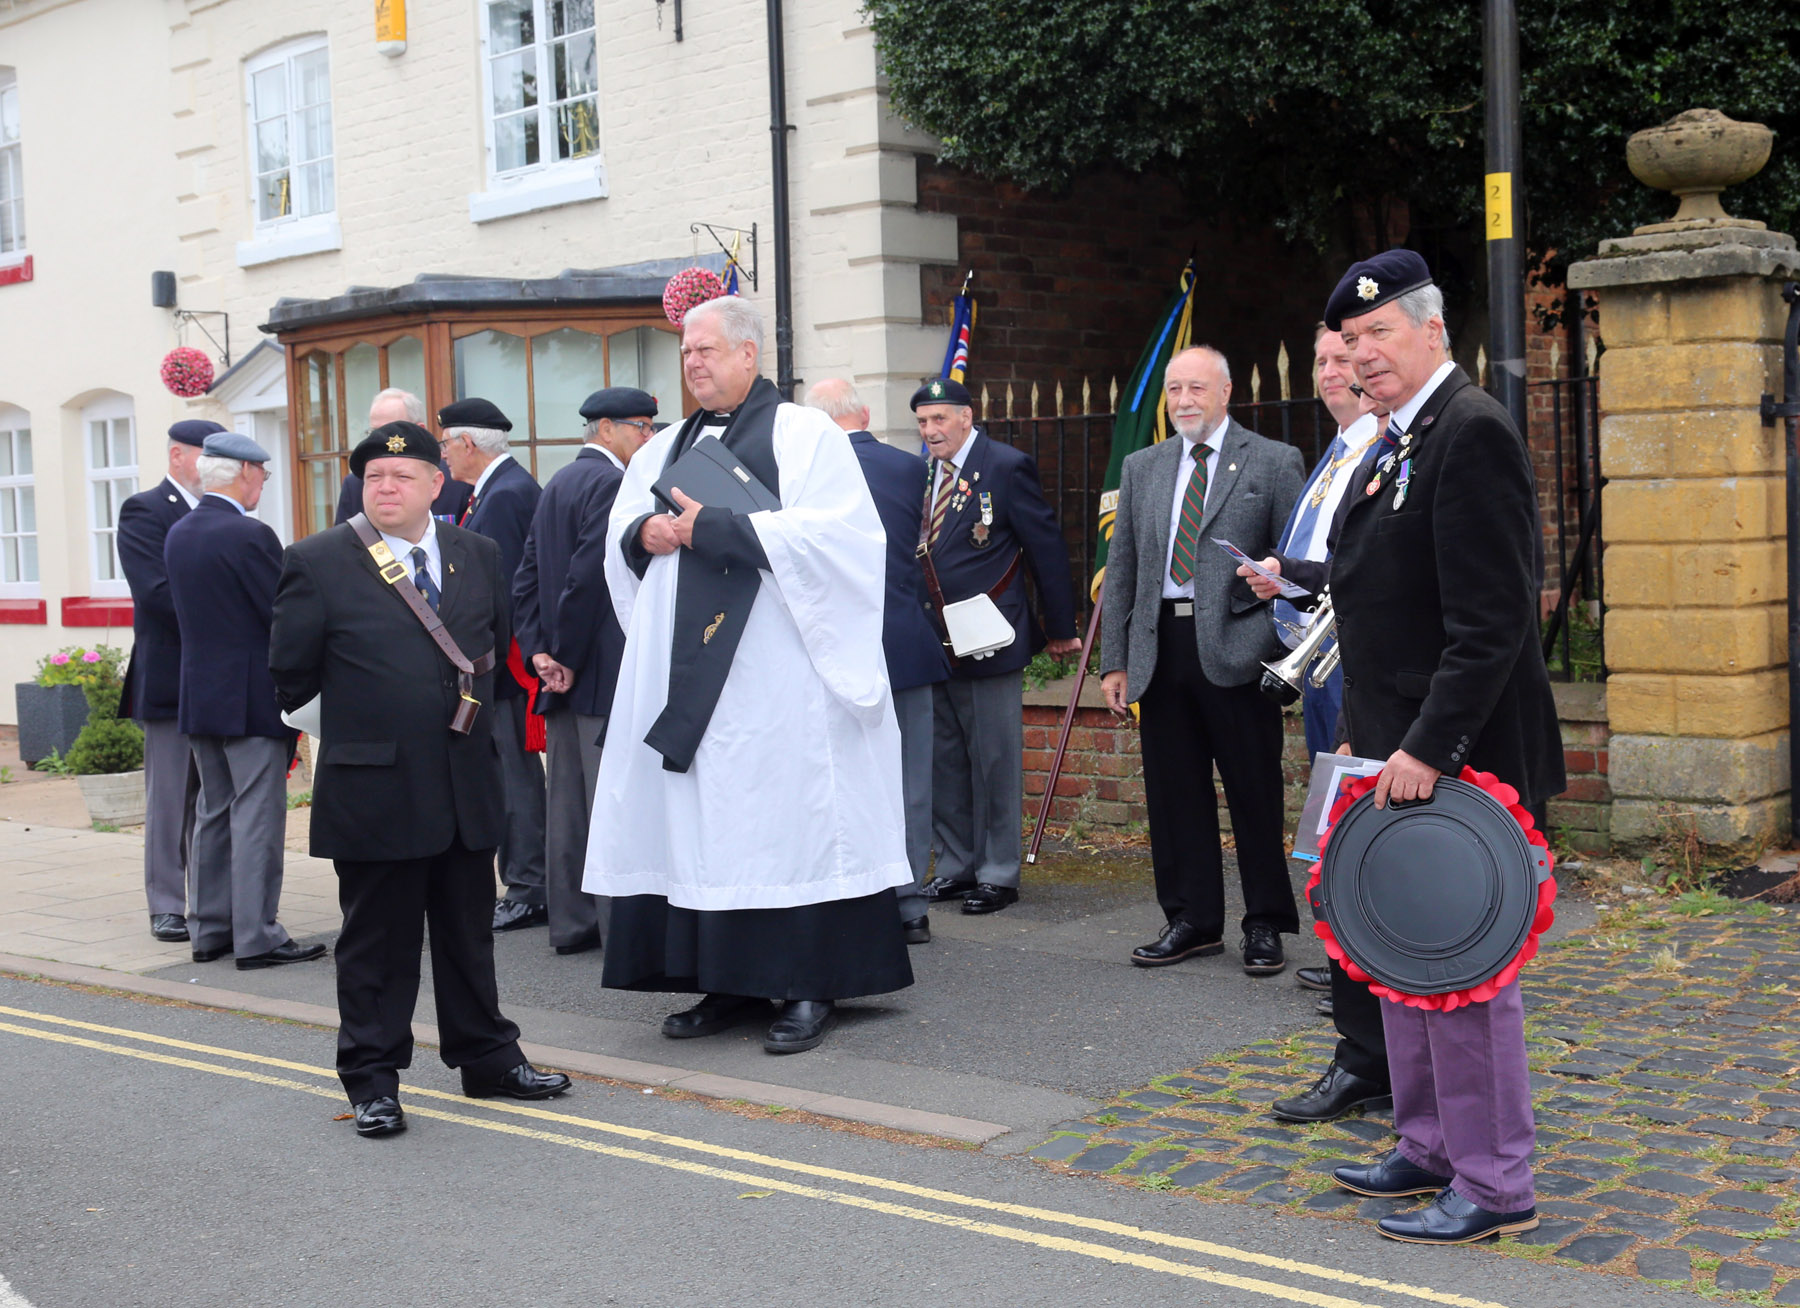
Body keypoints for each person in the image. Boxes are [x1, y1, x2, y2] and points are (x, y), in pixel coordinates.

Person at [1246, 249, 1562, 1244]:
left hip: (1456, 760)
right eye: (1349, 340)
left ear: (1431, 330)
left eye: (1378, 334)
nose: (1360, 353)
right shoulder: (1396, 440)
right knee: (1406, 964)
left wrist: (1428, 747)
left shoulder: (1469, 431)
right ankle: (1425, 1144)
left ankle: (1494, 1180)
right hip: (1393, 752)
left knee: (1464, 976)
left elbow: (1494, 618)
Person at [583, 295, 913, 1055]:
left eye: (707, 349)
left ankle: (808, 983)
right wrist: (649, 531)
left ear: (748, 355)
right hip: (694, 677)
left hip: (780, 674)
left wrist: (718, 527)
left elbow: (844, 541)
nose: (694, 361)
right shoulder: (664, 446)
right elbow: (619, 538)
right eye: (686, 352)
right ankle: (723, 979)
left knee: (787, 817)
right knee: (707, 822)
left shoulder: (805, 435)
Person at [270, 420, 570, 1139]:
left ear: (439, 485)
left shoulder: (479, 553)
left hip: (465, 784)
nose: (386, 485)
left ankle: (489, 1060)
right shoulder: (317, 561)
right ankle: (373, 1079)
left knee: (470, 936)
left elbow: (490, 653)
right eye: (374, 476)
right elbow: (290, 674)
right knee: (378, 944)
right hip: (375, 789)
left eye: (402, 476)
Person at [1096, 346, 1304, 976]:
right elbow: (1125, 568)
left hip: (1237, 649)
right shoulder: (1143, 467)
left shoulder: (1272, 461)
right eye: (1175, 389)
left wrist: (1280, 648)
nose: (1184, 400)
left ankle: (1265, 923)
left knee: (1254, 792)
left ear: (1226, 392)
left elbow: (1292, 560)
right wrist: (1115, 660)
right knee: (1174, 793)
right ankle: (1191, 920)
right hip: (1160, 650)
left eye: (1196, 388)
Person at [1267, 325, 1393, 1123]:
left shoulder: (1424, 440)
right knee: (1335, 839)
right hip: (1339, 661)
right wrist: (1293, 576)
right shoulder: (1361, 448)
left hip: (1379, 681)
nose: (1343, 369)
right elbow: (1350, 559)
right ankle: (1361, 1030)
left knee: (1364, 845)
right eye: (1332, 356)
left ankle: (1373, 1048)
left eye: (1359, 350)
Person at [914, 377, 1079, 916]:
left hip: (988, 637)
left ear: (966, 416)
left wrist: (1060, 626)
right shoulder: (922, 476)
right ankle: (957, 866)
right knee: (944, 759)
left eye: (940, 419)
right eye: (922, 422)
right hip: (933, 639)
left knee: (994, 759)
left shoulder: (1005, 466)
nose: (931, 431)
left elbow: (1045, 547)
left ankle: (999, 872)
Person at [163, 433, 323, 971]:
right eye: (264, 474)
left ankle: (210, 929)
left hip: (201, 694)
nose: (263, 484)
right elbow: (283, 618)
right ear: (245, 473)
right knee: (256, 816)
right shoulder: (249, 535)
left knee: (213, 811)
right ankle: (257, 935)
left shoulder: (181, 531)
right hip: (251, 695)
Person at [804, 377, 951, 944]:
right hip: (903, 640)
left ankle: (852, 896)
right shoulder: (910, 469)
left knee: (841, 778)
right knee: (910, 779)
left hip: (832, 648)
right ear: (864, 413)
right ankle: (910, 902)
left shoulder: (803, 474)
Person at [513, 387, 658, 956]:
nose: (648, 437)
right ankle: (617, 926)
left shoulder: (559, 482)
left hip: (565, 669)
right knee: (609, 803)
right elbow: (588, 578)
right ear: (605, 429)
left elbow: (525, 575)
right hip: (597, 670)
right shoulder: (610, 482)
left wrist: (539, 653)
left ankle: (573, 924)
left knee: (568, 804)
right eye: (640, 426)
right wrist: (564, 657)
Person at [439, 397, 549, 934]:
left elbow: (499, 592)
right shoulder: (497, 490)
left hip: (501, 662)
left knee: (514, 776)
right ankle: (527, 880)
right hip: (495, 659)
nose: (443, 458)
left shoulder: (505, 496)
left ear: (467, 444)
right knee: (508, 774)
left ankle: (529, 885)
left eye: (444, 446)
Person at [117, 418, 220, 944]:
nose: (213, 465)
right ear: (179, 455)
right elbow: (157, 592)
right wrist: (232, 617)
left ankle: (209, 900)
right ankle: (165, 903)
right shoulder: (146, 510)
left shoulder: (224, 511)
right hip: (171, 675)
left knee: (213, 796)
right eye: (206, 454)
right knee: (170, 798)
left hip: (220, 675)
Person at [334, 388, 472, 525]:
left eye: (393, 431)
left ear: (420, 429)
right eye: (374, 432)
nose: (383, 439)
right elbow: (343, 542)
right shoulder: (355, 484)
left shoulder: (458, 481)